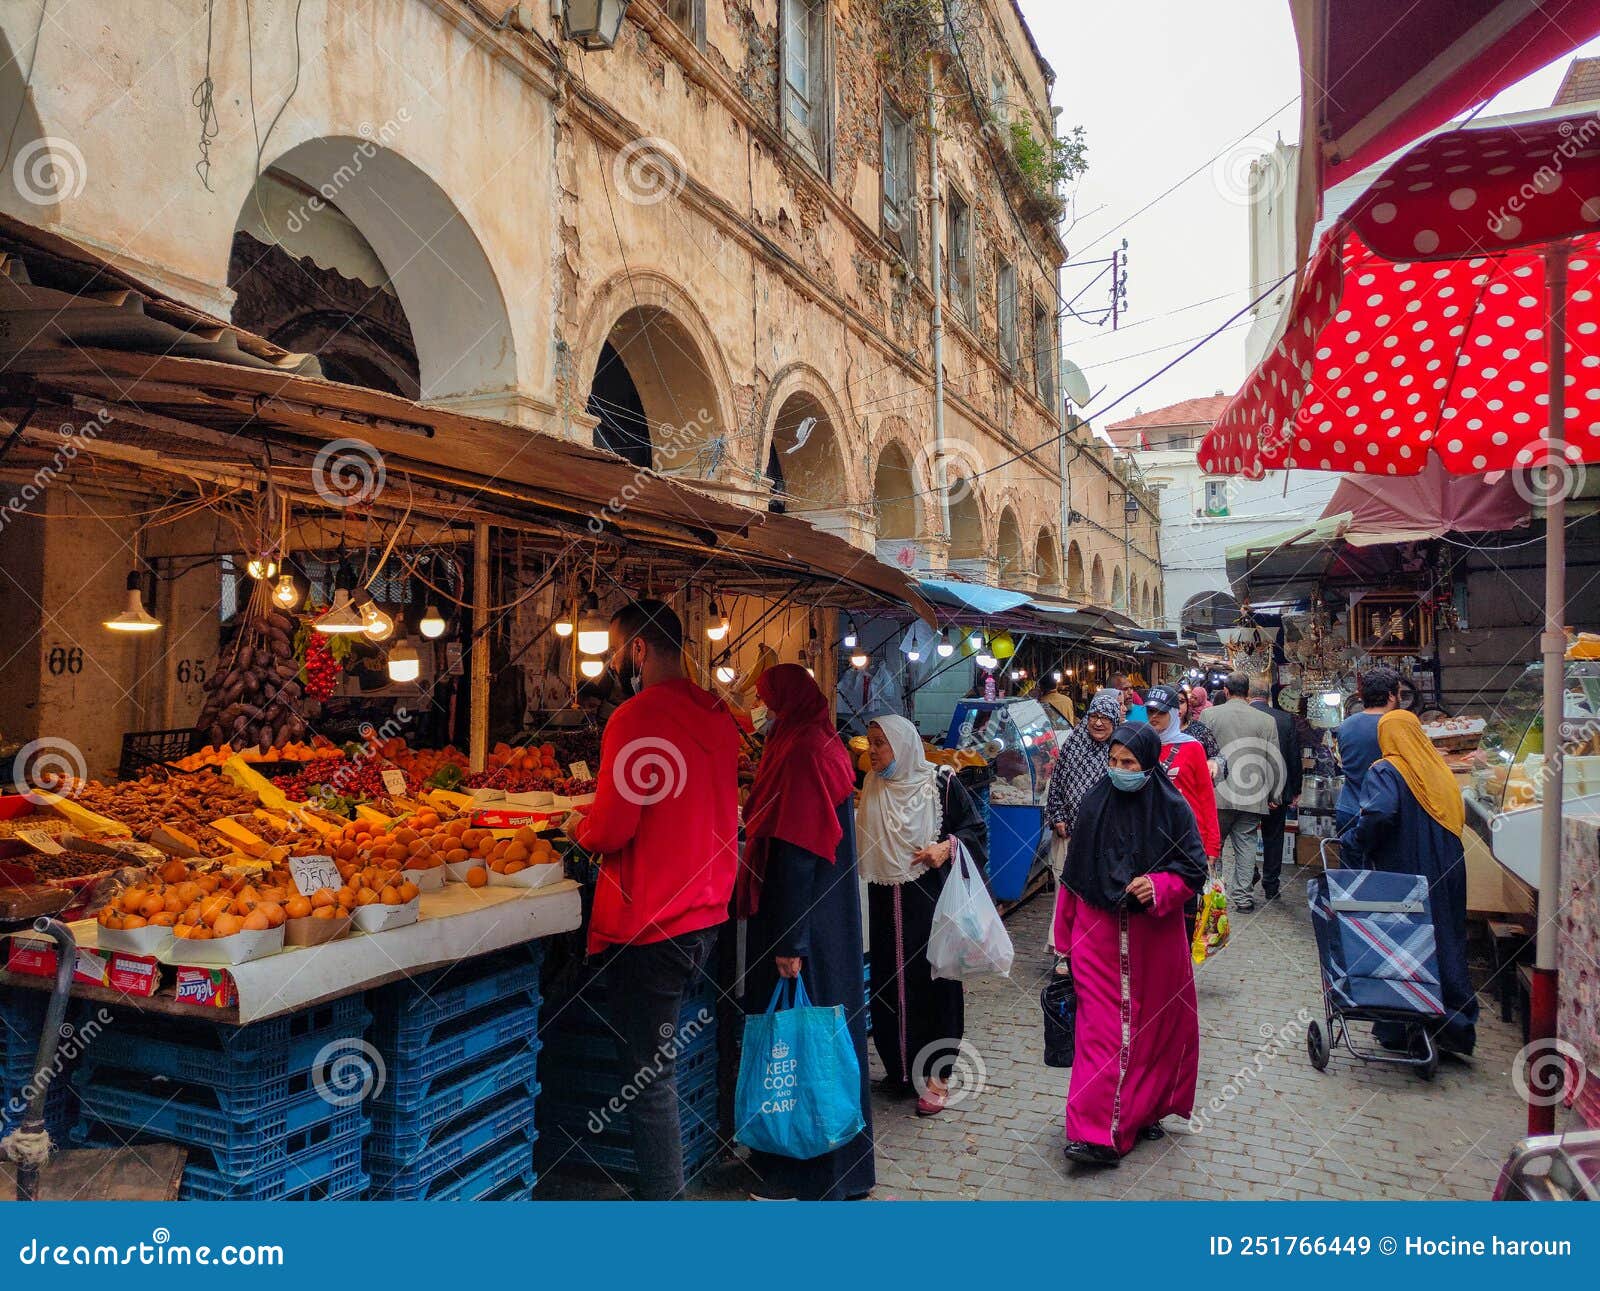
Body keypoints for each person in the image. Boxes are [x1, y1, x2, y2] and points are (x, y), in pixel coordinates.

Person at [567, 599, 741, 1200]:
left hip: (652, 922)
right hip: (706, 913)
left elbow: (613, 829)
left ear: (637, 649)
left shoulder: (635, 718)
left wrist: (578, 830)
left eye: (616, 650)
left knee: (649, 1078)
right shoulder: (719, 714)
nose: (615, 662)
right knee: (660, 1068)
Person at [737, 664, 875, 1200]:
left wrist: (789, 945)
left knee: (799, 1045)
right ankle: (845, 1169)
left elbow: (797, 852)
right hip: (830, 919)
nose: (762, 711)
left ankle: (802, 1173)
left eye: (767, 701)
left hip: (804, 923)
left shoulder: (799, 754)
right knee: (828, 1039)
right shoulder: (822, 744)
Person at [1055, 723, 1208, 1165]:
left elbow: (1192, 868)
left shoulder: (1173, 809)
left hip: (1155, 943)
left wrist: (1158, 885)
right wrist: (1064, 943)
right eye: (1114, 761)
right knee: (1101, 1035)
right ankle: (1095, 1134)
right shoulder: (1094, 804)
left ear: (1149, 764)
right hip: (1097, 938)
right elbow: (1075, 878)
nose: (1120, 770)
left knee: (1155, 1032)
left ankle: (1143, 1111)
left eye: (1129, 763)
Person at [858, 714, 987, 1117]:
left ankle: (938, 1076)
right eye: (870, 742)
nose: (874, 751)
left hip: (932, 903)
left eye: (881, 743)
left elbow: (976, 831)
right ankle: (899, 1069)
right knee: (888, 982)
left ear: (903, 744)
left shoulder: (941, 783)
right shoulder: (873, 786)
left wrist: (944, 848)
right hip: (884, 900)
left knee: (936, 983)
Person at [1338, 710, 1479, 1057]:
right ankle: (1454, 1028)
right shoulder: (1437, 768)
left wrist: (1356, 841)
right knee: (1446, 937)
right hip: (1448, 862)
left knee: (1404, 942)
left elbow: (1381, 813)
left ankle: (1402, 1024)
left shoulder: (1386, 769)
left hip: (1407, 865)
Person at [1202, 672, 1286, 911]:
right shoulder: (1265, 721)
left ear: (1226, 691)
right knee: (1246, 845)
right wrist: (1275, 794)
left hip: (1217, 792)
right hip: (1252, 794)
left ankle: (1213, 892)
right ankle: (1243, 898)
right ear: (1248, 693)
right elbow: (1274, 759)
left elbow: (1201, 754)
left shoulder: (1210, 715)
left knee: (1213, 846)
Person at [1251, 689, 1302, 903]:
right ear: (1269, 699)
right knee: (1274, 837)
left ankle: (1248, 875)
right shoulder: (1284, 719)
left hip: (1246, 789)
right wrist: (1295, 789)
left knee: (1244, 835)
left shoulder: (1243, 717)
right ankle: (1271, 885)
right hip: (1277, 787)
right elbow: (1293, 757)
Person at [1335, 666, 1400, 831]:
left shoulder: (1345, 726)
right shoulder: (1396, 725)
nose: (1400, 696)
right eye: (1399, 692)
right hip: (1383, 813)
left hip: (1348, 810)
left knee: (1351, 856)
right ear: (1391, 696)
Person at [1178, 686, 1224, 782]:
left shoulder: (1200, 729)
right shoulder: (1154, 731)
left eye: (1181, 702)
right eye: (1192, 697)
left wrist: (1213, 763)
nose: (1176, 707)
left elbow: (1218, 758)